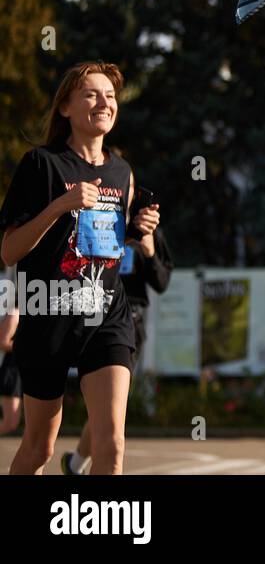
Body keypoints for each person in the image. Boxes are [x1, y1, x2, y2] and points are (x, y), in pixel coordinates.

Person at [0, 62, 160, 475]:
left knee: (112, 445)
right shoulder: (41, 165)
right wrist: (58, 206)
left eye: (109, 96)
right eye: (91, 94)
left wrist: (134, 231)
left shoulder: (121, 171)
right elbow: (9, 251)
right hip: (48, 315)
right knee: (38, 449)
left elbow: (100, 246)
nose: (103, 102)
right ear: (66, 107)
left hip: (106, 315)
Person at [61, 192, 173, 475]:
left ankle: (76, 465)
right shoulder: (90, 219)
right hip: (89, 311)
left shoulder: (148, 229)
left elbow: (161, 282)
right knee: (107, 410)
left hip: (128, 323)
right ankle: (75, 464)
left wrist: (148, 252)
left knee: (111, 410)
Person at [0, 269, 20, 435]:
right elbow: (3, 342)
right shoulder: (14, 313)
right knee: (9, 423)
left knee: (14, 423)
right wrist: (27, 346)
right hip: (11, 370)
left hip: (22, 369)